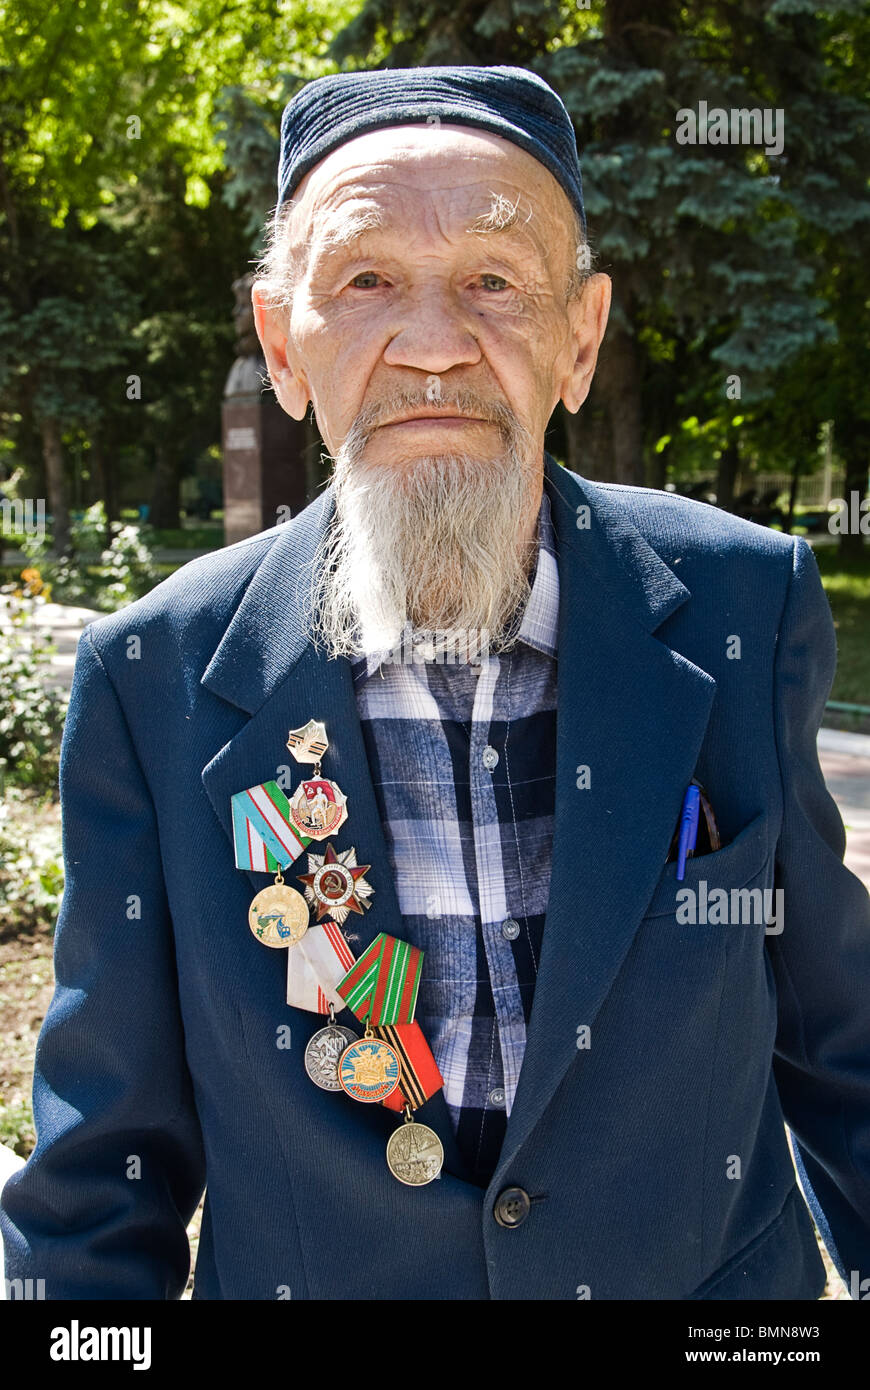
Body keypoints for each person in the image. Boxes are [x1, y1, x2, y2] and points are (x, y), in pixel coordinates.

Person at [2, 65, 869, 1301]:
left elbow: (841, 1043)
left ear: (580, 337)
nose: (431, 345)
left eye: (495, 281)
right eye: (365, 281)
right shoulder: (158, 671)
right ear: (282, 343)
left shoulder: (742, 604)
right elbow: (104, 1167)